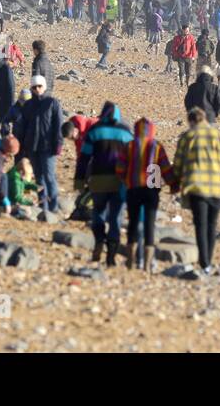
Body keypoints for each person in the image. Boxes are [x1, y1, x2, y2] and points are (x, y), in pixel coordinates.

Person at [172, 108, 220, 272]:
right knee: (212, 225)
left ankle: (205, 262)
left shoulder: (188, 137)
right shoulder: (219, 136)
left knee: (200, 225)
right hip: (216, 187)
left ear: (192, 121)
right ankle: (208, 260)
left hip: (196, 187)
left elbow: (178, 163)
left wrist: (175, 184)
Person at [115, 116, 176, 272]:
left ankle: (131, 260)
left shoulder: (129, 146)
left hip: (133, 188)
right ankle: (147, 264)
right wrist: (173, 185)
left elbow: (120, 169)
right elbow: (166, 168)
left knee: (133, 223)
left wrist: (126, 180)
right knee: (150, 225)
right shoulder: (156, 146)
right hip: (151, 189)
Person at [77, 101, 133, 266]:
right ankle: (111, 256)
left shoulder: (95, 130)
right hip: (120, 182)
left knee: (98, 213)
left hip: (98, 179)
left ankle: (99, 241)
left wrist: (80, 180)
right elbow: (133, 158)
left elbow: (84, 157)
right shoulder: (126, 133)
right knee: (116, 217)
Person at [15, 75, 64, 213]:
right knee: (38, 177)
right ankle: (44, 205)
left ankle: (53, 206)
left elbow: (58, 125)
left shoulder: (52, 103)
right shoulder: (28, 105)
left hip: (48, 147)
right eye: (34, 87)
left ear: (44, 87)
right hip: (32, 147)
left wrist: (58, 144)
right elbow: (22, 126)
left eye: (39, 86)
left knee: (49, 176)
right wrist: (21, 145)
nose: (37, 89)